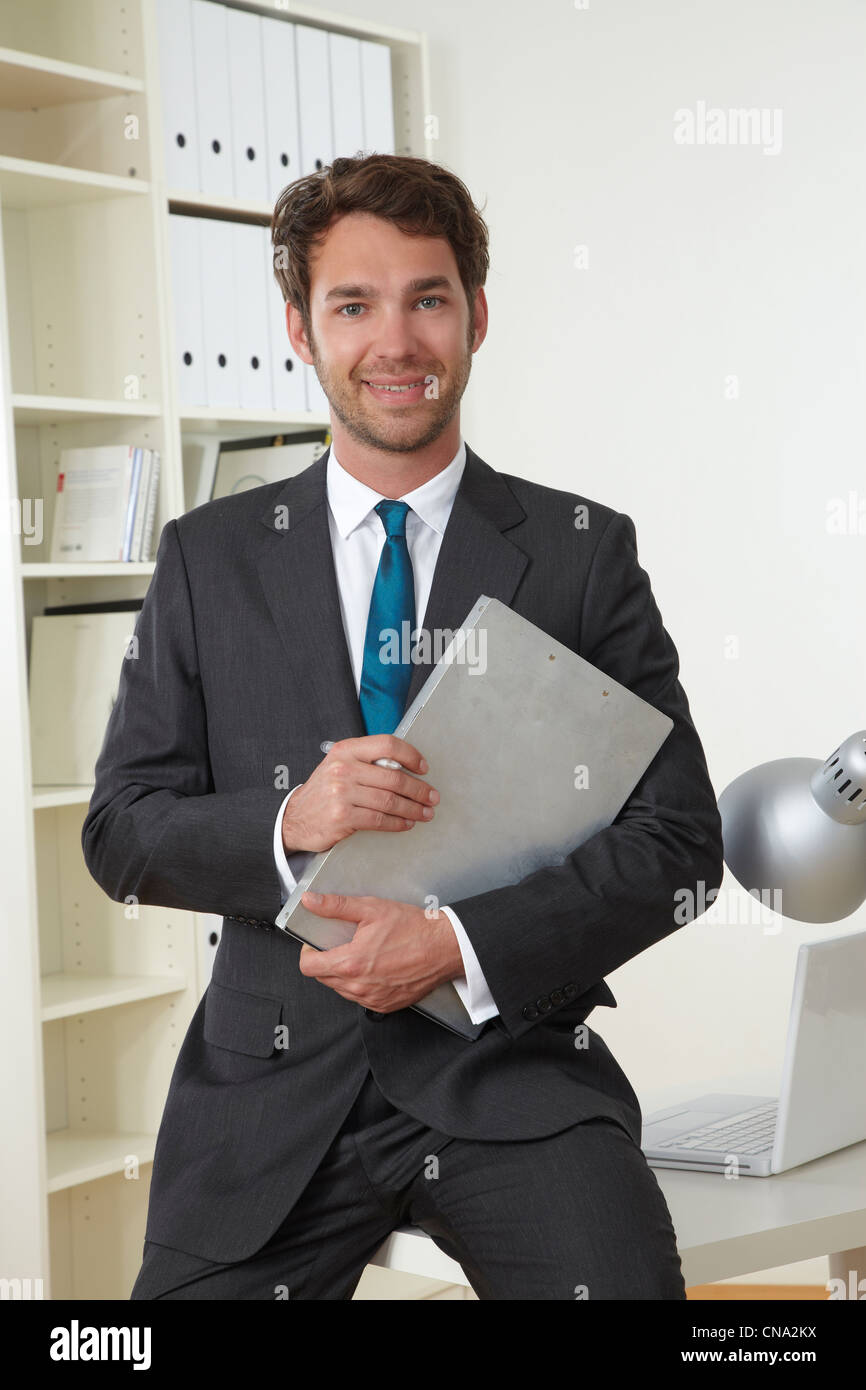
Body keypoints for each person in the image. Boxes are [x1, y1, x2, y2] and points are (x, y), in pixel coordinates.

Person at [82, 153, 724, 1300]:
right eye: (352, 305)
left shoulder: (581, 553)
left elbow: (678, 842)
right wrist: (289, 819)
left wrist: (460, 946)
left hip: (510, 1067)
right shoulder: (207, 558)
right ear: (299, 327)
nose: (396, 341)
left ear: (476, 315)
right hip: (270, 1089)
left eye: (427, 298)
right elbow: (121, 831)